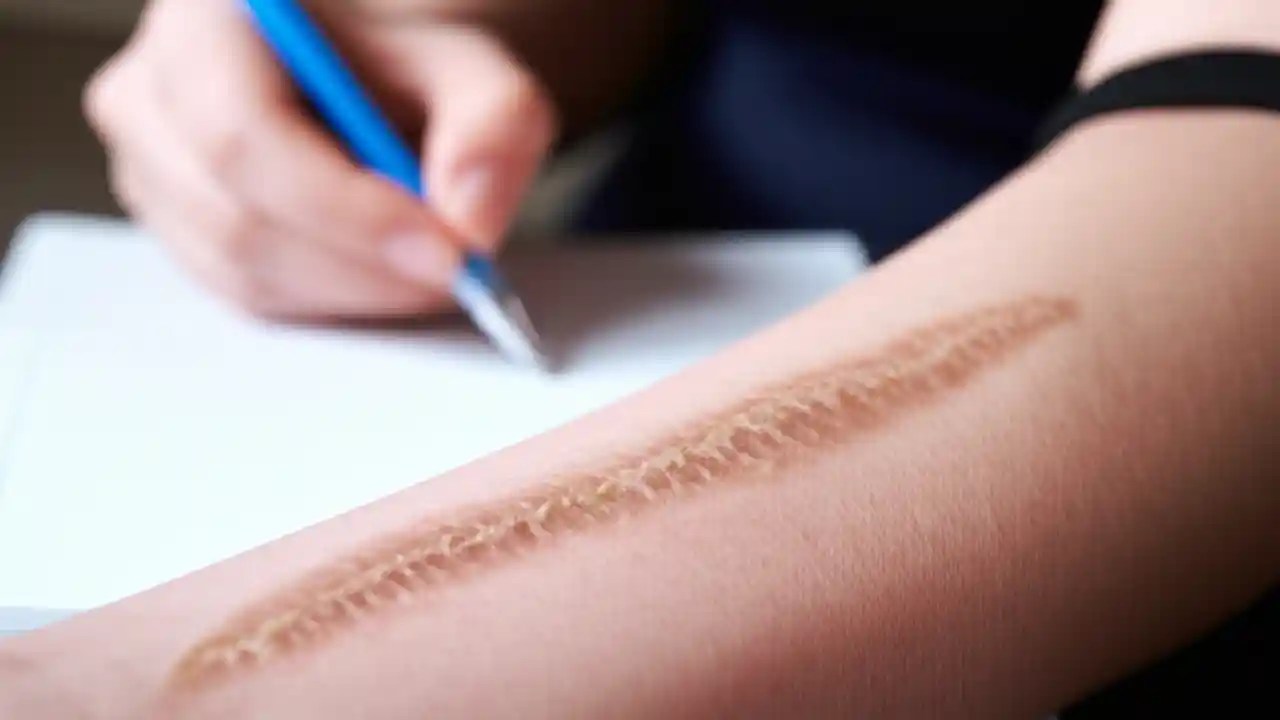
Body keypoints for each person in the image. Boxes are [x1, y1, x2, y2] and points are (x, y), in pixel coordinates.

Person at [1, 0, 1276, 716]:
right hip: (661, 279)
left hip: (1143, 472)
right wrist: (415, 27)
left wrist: (148, 692)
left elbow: (1241, 190)